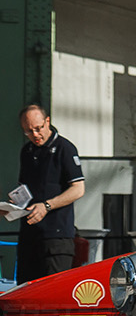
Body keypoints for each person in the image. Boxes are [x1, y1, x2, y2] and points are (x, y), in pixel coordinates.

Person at [15, 104, 84, 283]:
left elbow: (78, 189)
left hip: (56, 237)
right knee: (24, 291)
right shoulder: (27, 151)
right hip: (29, 235)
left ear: (48, 121)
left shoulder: (65, 148)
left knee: (52, 292)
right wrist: (13, 206)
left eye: (38, 129)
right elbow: (25, 190)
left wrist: (47, 206)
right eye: (28, 131)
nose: (35, 135)